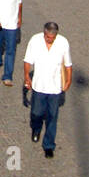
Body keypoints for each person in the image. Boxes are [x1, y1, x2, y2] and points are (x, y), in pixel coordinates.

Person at [23, 20, 72, 158]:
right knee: (36, 112)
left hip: (55, 88)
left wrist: (68, 79)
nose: (50, 40)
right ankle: (36, 128)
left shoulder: (63, 43)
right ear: (44, 34)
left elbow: (68, 63)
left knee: (52, 117)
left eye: (52, 38)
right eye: (48, 37)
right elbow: (27, 61)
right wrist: (27, 76)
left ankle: (49, 145)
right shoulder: (35, 41)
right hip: (38, 86)